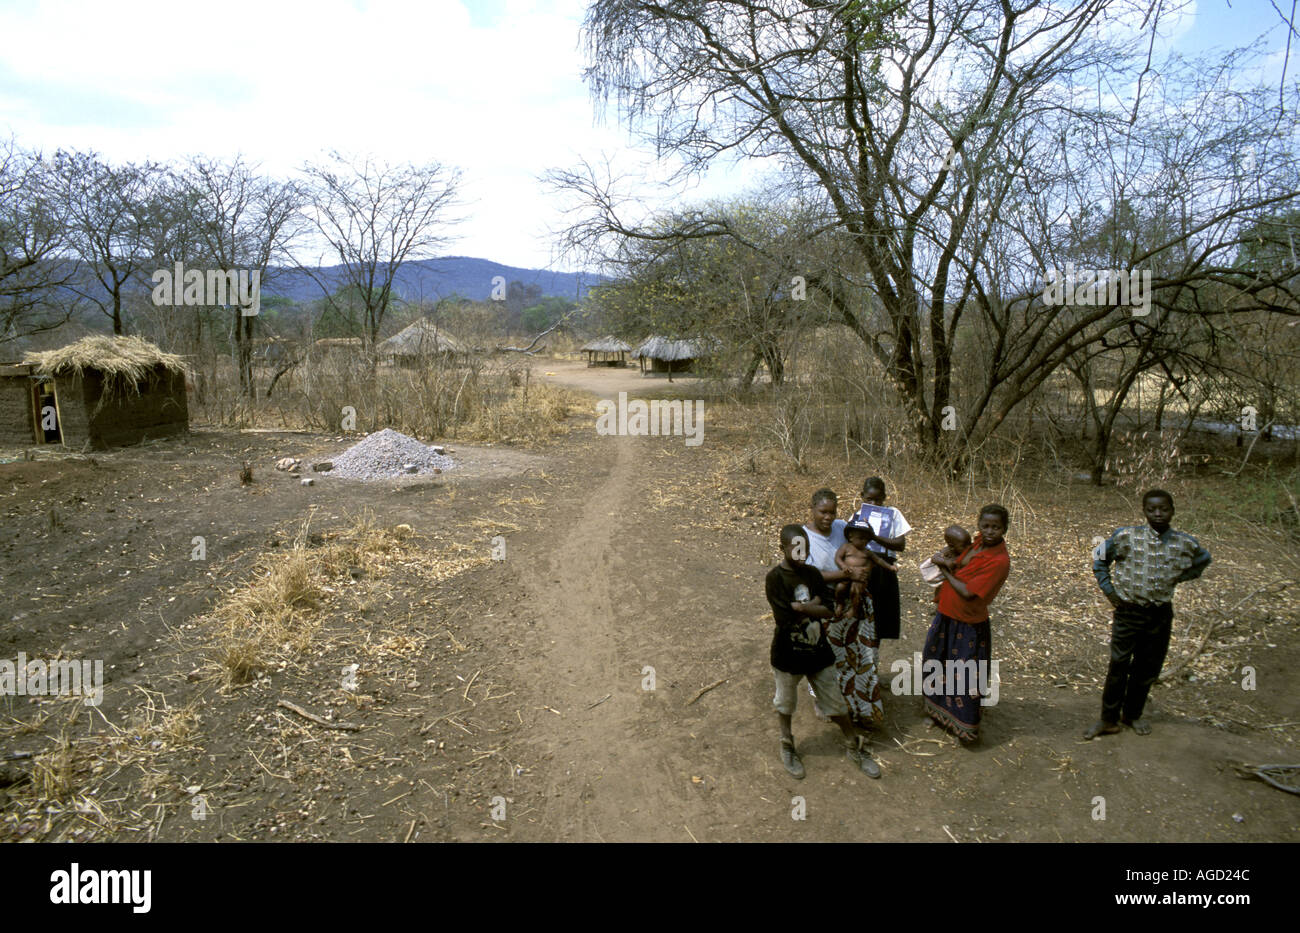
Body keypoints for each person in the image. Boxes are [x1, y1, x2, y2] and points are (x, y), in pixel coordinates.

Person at [1084, 489, 1211, 739]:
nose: (1158, 514)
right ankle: (1108, 719)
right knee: (1119, 665)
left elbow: (1203, 560)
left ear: (1172, 511)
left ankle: (1132, 715)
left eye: (1164, 509)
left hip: (1159, 614)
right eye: (1152, 509)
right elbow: (1099, 559)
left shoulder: (1184, 543)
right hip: (1128, 612)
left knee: (1147, 667)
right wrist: (1110, 591)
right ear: (1144, 511)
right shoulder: (1126, 536)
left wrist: (1178, 577)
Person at [766, 524, 882, 779]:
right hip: (787, 653)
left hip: (818, 651)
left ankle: (853, 745)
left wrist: (802, 607)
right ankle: (787, 743)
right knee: (785, 702)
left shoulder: (812, 574)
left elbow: (830, 610)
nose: (801, 554)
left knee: (836, 702)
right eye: (795, 548)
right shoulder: (775, 579)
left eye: (805, 548)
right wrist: (813, 604)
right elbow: (785, 618)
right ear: (782, 548)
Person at [803, 489, 883, 776]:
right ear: (812, 509)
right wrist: (848, 574)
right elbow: (809, 575)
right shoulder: (803, 537)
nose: (828, 517)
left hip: (855, 600)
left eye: (832, 512)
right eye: (822, 512)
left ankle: (859, 703)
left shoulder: (842, 528)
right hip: (824, 602)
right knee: (826, 657)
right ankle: (822, 700)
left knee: (859, 655)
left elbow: (866, 540)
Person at [922, 505, 1011, 744]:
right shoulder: (977, 544)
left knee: (965, 676)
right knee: (936, 662)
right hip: (947, 613)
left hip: (969, 623)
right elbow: (957, 555)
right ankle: (936, 712)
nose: (990, 531)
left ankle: (964, 726)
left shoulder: (999, 560)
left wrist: (943, 568)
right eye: (985, 526)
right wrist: (946, 558)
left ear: (1005, 529)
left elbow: (968, 592)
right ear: (979, 525)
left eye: (996, 527)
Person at [851, 478, 912, 642]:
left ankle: (874, 650)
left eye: (878, 499)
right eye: (869, 499)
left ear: (884, 497)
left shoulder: (893, 514)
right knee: (861, 614)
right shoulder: (857, 516)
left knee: (880, 616)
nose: (874, 503)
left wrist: (873, 537)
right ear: (862, 496)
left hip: (884, 569)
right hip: (863, 568)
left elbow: (900, 544)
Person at [834, 522, 896, 619]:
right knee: (840, 588)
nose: (864, 541)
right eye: (861, 538)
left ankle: (853, 608)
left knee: (855, 590)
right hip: (847, 574)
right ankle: (840, 604)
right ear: (851, 537)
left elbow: (879, 560)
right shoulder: (846, 547)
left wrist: (890, 567)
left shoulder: (867, 552)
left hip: (859, 578)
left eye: (867, 539)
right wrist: (843, 566)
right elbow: (838, 558)